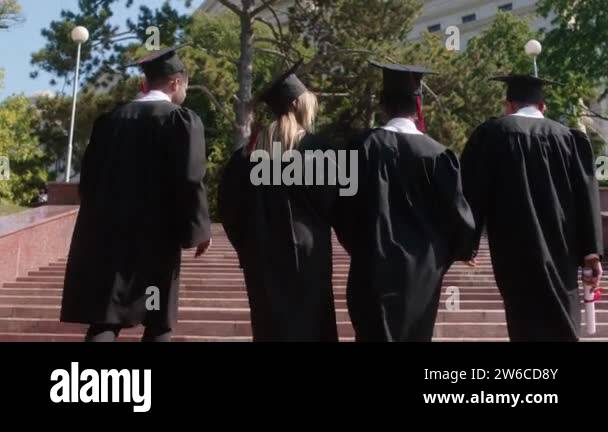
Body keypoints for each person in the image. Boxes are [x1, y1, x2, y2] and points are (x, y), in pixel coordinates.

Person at [60, 46, 212, 342]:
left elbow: (88, 181)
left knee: (104, 320)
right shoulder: (181, 121)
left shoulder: (110, 121)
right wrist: (199, 228)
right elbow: (191, 178)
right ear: (175, 83)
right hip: (157, 239)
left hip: (106, 238)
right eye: (185, 86)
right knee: (158, 320)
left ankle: (94, 388)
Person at [334, 62, 476, 342]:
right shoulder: (437, 155)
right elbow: (458, 216)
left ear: (383, 104)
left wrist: (364, 248)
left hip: (371, 269)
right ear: (418, 105)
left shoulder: (360, 147)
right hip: (421, 276)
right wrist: (457, 250)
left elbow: (341, 211)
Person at [461, 74, 603, 342]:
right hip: (562, 250)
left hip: (514, 249)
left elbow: (472, 189)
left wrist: (466, 242)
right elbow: (587, 194)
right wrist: (591, 252)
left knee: (524, 319)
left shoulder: (491, 134)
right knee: (562, 318)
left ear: (509, 105)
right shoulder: (569, 139)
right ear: (543, 106)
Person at [218, 63, 339, 342]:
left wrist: (247, 247)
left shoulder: (245, 157)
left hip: (261, 259)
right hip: (310, 258)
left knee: (270, 328)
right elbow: (338, 205)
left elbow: (229, 209)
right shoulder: (320, 150)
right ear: (298, 104)